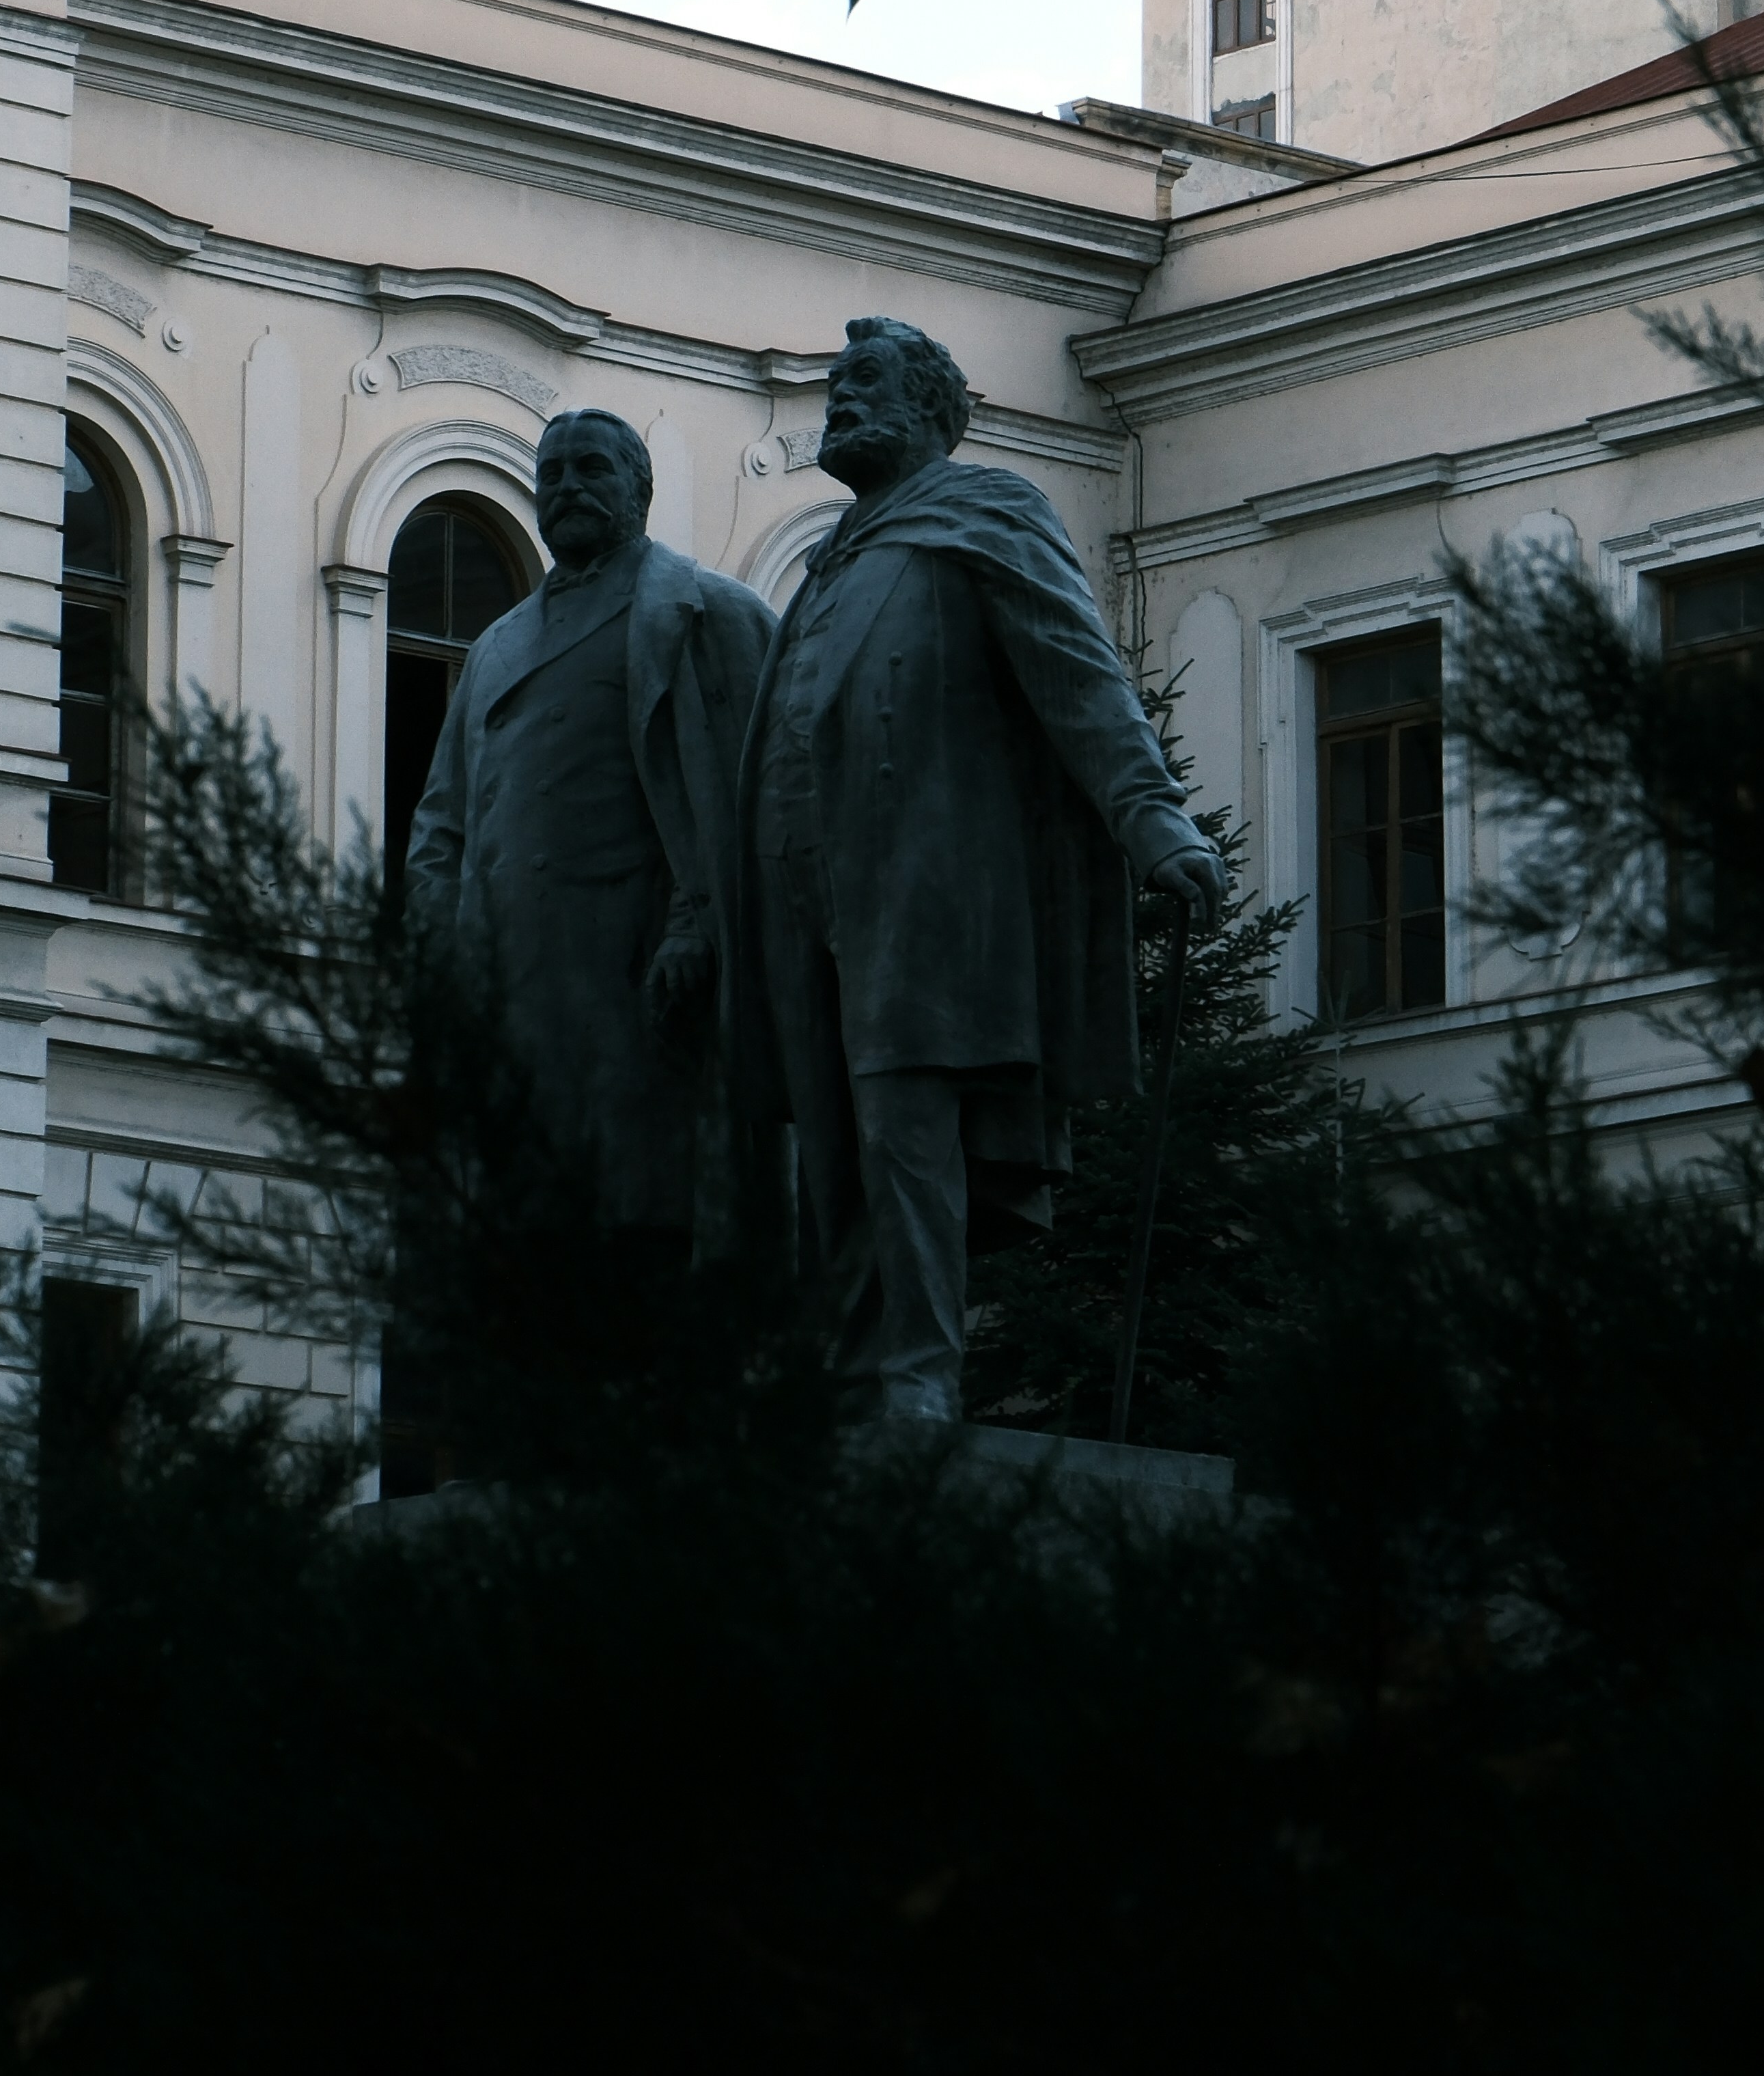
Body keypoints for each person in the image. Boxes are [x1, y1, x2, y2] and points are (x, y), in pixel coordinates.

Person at [739, 313, 1220, 1420]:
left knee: (905, 1126)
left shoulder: (988, 516)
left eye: (864, 382)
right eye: (835, 384)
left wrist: (1156, 821)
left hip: (929, 886)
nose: (839, 401)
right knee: (835, 1139)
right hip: (809, 897)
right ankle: (852, 1375)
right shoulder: (828, 564)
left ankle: (916, 1377)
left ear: (927, 409)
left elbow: (1079, 677)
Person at [402, 409, 773, 1235]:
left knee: (635, 1205)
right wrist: (437, 957)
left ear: (640, 488)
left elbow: (746, 790)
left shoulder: (707, 613)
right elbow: (442, 822)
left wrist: (692, 923)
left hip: (634, 973)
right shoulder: (497, 642)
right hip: (507, 983)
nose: (567, 487)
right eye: (553, 473)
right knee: (516, 1216)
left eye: (591, 469)